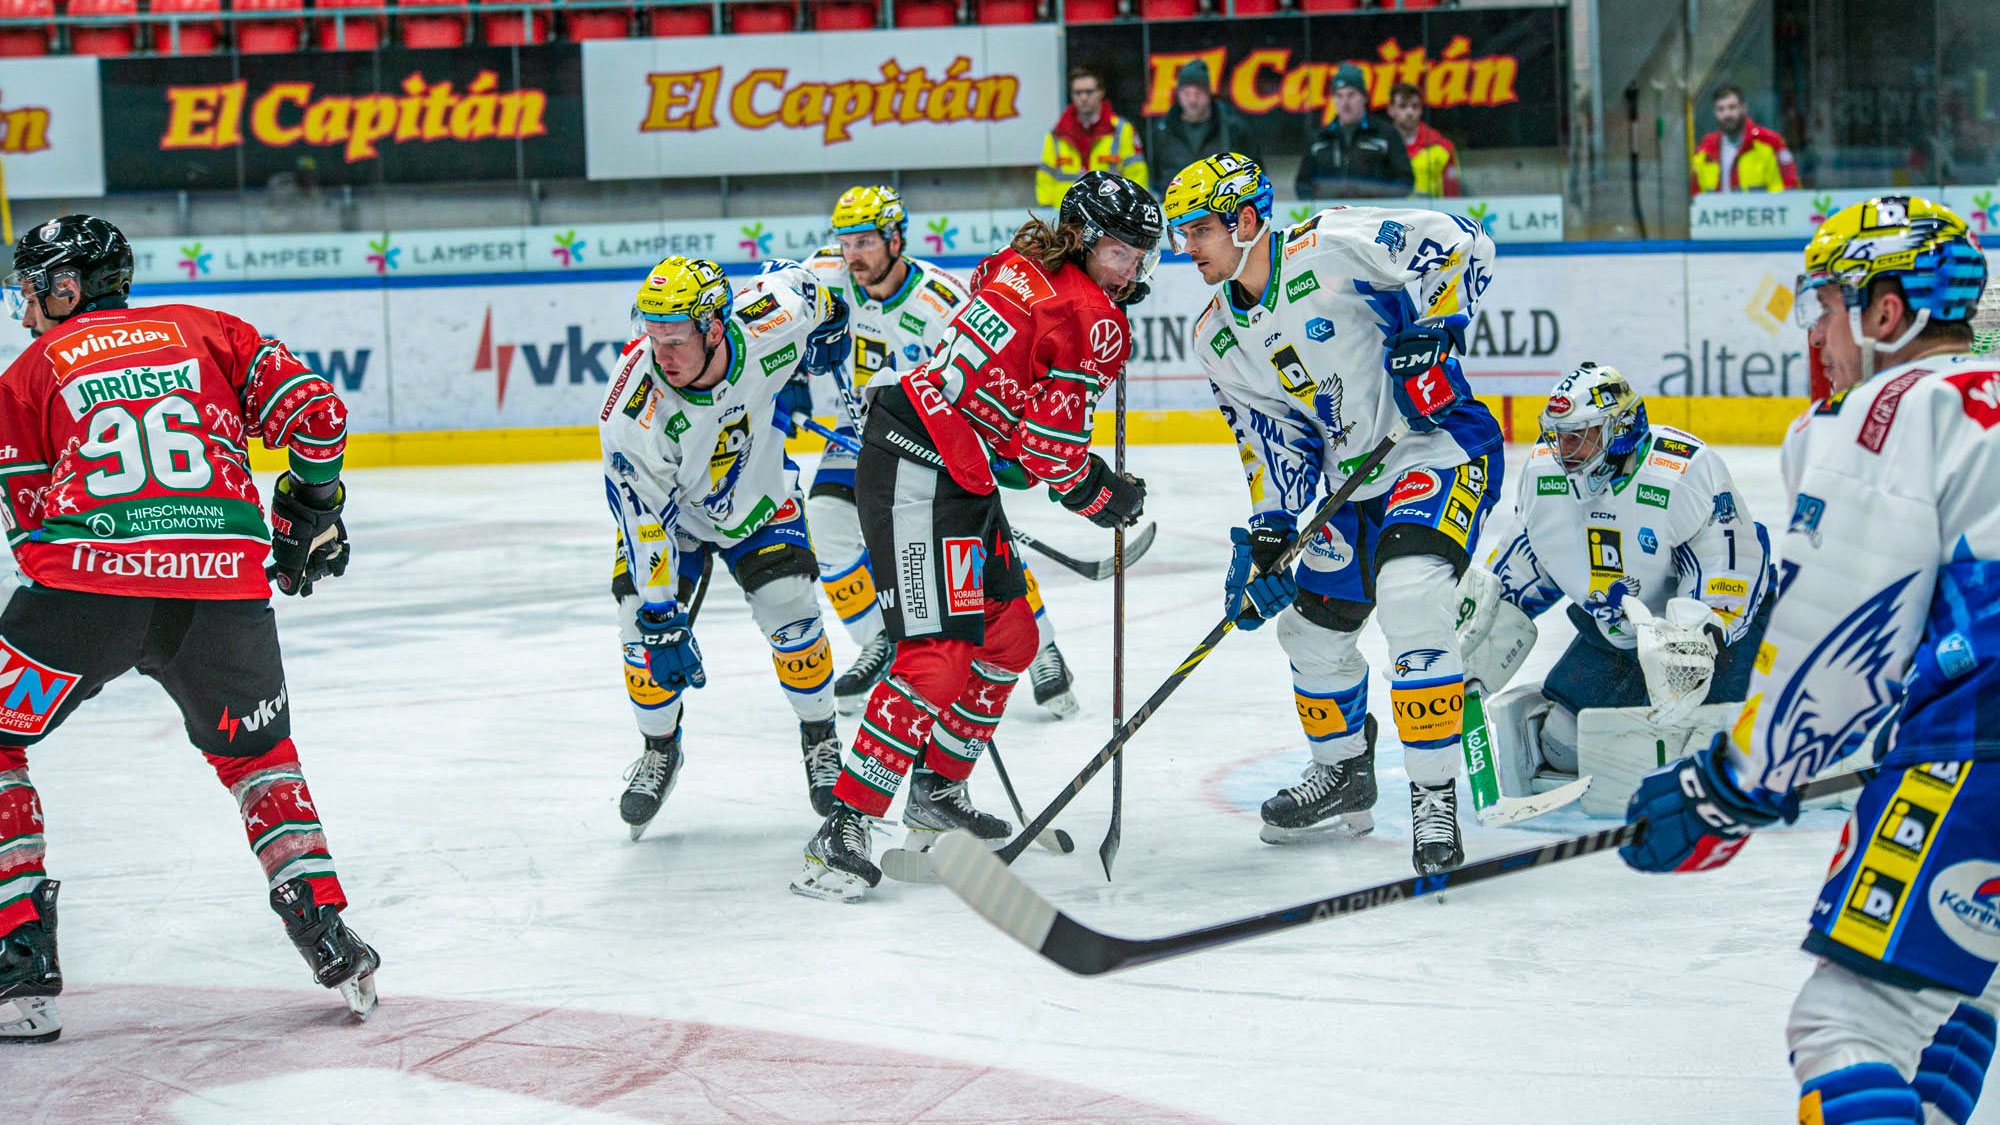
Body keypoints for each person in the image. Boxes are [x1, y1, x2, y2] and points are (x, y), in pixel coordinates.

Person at [1618, 196, 1999, 1124]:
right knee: (1961, 990)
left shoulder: (1897, 409)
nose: (1814, 333)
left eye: (1826, 305)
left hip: (1982, 742)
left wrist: (1730, 786)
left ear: (1886, 312)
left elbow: (1836, 637)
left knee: (1844, 1025)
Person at [0, 215, 377, 1041]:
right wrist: (310, 506)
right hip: (223, 589)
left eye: (30, 290)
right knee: (257, 755)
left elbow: (28, 531)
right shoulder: (210, 329)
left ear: (66, 288)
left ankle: (18, 954)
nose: (23, 309)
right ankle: (325, 929)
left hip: (87, 593)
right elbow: (318, 416)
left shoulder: (28, 373)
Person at [791, 171, 1161, 902]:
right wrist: (1102, 494)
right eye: (1122, 252)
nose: (1133, 271)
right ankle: (843, 829)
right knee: (935, 661)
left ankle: (938, 790)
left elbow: (1007, 394)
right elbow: (1052, 452)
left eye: (1142, 256)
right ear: (1084, 238)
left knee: (1011, 638)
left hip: (954, 466)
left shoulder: (1021, 262)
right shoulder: (1095, 318)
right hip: (918, 468)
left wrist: (1016, 439)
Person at [1163, 153, 1497, 874]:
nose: (1187, 247)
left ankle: (1433, 796)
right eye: (1182, 232)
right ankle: (1344, 771)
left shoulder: (1333, 244)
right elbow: (1270, 437)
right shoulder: (1216, 336)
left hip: (1437, 448)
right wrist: (1271, 529)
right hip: (1354, 481)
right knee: (1309, 633)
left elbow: (1461, 238)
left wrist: (1438, 327)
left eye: (1199, 229)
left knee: (1411, 600)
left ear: (1246, 220)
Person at [799, 186, 1082, 720]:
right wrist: (787, 377)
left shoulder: (939, 299)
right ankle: (879, 639)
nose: (853, 254)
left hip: (935, 434)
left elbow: (996, 368)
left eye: (865, 241)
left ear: (896, 239)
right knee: (827, 524)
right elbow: (774, 304)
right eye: (846, 242)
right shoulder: (826, 277)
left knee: (981, 546)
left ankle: (1044, 647)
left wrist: (1000, 440)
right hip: (859, 431)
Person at [601, 256, 851, 841]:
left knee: (792, 613)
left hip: (758, 502)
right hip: (674, 522)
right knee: (640, 631)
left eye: (675, 340)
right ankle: (660, 747)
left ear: (715, 327)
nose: (661, 355)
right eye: (653, 337)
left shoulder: (768, 322)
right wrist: (661, 615)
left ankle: (820, 737)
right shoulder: (632, 407)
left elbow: (805, 281)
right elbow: (643, 522)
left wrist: (834, 319)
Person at [1454, 363, 1772, 806]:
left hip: (1715, 641)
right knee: (1562, 746)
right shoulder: (1544, 476)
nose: (1563, 451)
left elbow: (1730, 564)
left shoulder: (1682, 471)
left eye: (1578, 437)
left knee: (1708, 749)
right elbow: (1526, 565)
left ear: (1620, 430)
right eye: (1557, 436)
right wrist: (1474, 628)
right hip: (1616, 634)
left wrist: (1697, 641)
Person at [1295, 63, 1414, 203]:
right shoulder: (1319, 138)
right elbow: (1302, 184)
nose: (1345, 103)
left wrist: (1378, 201)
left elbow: (1405, 181)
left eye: (1351, 95)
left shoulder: (1386, 134)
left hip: (1373, 214)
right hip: (1332, 214)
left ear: (1365, 97)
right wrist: (1323, 205)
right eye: (1339, 96)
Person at [1038, 65, 1148, 209]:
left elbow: (1136, 174)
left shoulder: (1121, 130)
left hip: (1109, 213)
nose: (1083, 97)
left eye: (1089, 92)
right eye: (1078, 92)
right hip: (1066, 214)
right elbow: (1045, 178)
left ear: (1101, 92)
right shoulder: (1058, 133)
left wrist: (1133, 209)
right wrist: (1046, 212)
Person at [1149, 60, 1264, 188]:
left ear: (1209, 93)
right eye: (1187, 93)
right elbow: (1153, 177)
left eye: (1198, 93)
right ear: (1178, 94)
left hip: (1225, 200)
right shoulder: (1162, 130)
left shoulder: (1234, 128)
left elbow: (1255, 174)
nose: (1193, 100)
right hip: (1174, 200)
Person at [1690, 83, 1798, 194]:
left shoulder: (1770, 142)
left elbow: (1790, 190)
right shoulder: (1706, 148)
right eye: (1720, 109)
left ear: (1744, 109)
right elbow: (1695, 196)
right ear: (1715, 113)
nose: (1727, 114)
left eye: (1732, 107)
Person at [1387, 82, 1461, 199]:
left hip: (1428, 210)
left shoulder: (1442, 148)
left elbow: (1452, 195)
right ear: (1391, 110)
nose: (1410, 112)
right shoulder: (1379, 145)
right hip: (1388, 210)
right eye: (1403, 106)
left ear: (1421, 110)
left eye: (1415, 106)